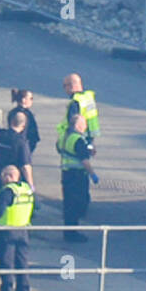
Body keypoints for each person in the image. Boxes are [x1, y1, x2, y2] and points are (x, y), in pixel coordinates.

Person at [0, 165, 34, 291]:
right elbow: (36, 206)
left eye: (3, 176)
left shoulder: (7, 192)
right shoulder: (27, 190)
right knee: (22, 264)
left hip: (7, 231)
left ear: (8, 177)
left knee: (6, 265)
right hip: (23, 230)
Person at [58, 112, 97, 242]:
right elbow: (84, 160)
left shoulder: (64, 136)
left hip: (66, 174)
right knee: (77, 204)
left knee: (69, 205)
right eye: (84, 124)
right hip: (77, 176)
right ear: (79, 125)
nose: (85, 127)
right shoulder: (78, 140)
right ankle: (72, 234)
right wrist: (93, 174)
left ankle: (68, 232)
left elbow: (60, 148)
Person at [0, 109, 34, 194]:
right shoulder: (21, 142)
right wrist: (30, 184)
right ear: (23, 125)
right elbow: (25, 166)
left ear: (11, 121)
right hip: (14, 182)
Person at [57, 72, 99, 145]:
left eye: (65, 86)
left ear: (71, 86)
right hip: (90, 136)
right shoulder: (88, 98)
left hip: (78, 138)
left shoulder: (76, 102)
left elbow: (73, 123)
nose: (64, 89)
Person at [9, 88, 40, 153]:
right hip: (24, 145)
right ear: (24, 100)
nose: (32, 101)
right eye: (31, 98)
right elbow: (31, 131)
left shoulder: (12, 112)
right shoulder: (26, 114)